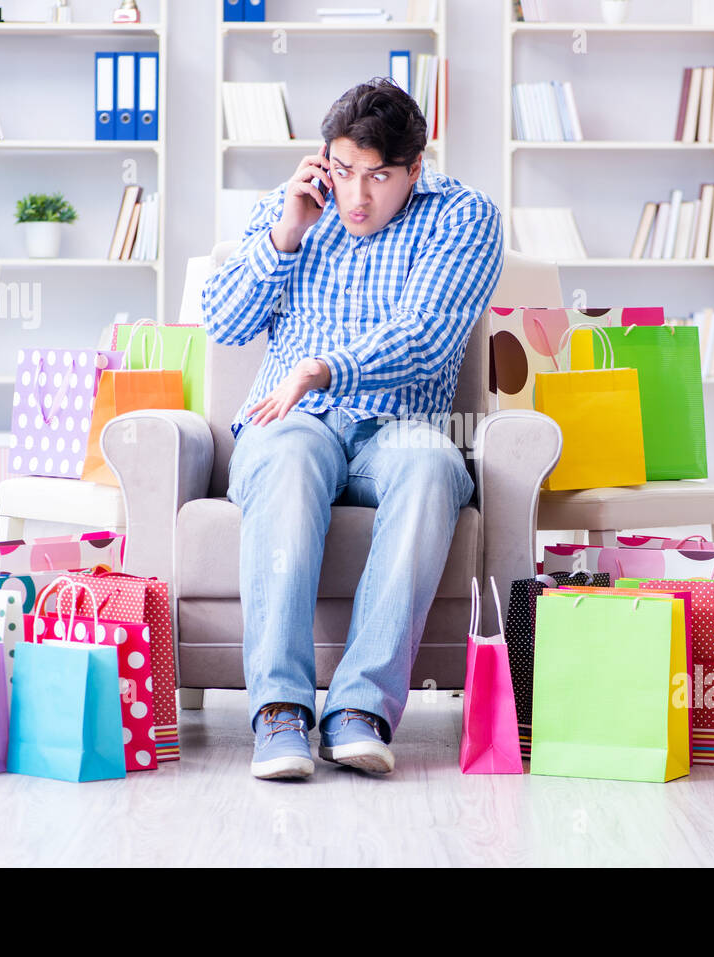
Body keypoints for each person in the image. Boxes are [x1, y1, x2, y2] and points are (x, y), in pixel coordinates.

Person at [202, 77, 504, 780]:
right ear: (323, 159)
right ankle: (279, 711)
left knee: (434, 467)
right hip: (289, 424)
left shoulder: (463, 218)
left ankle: (360, 709)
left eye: (380, 176)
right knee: (288, 457)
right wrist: (285, 234)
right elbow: (223, 322)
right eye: (344, 171)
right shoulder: (291, 210)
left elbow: (427, 336)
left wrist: (323, 367)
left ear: (415, 170)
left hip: (398, 425)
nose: (358, 196)